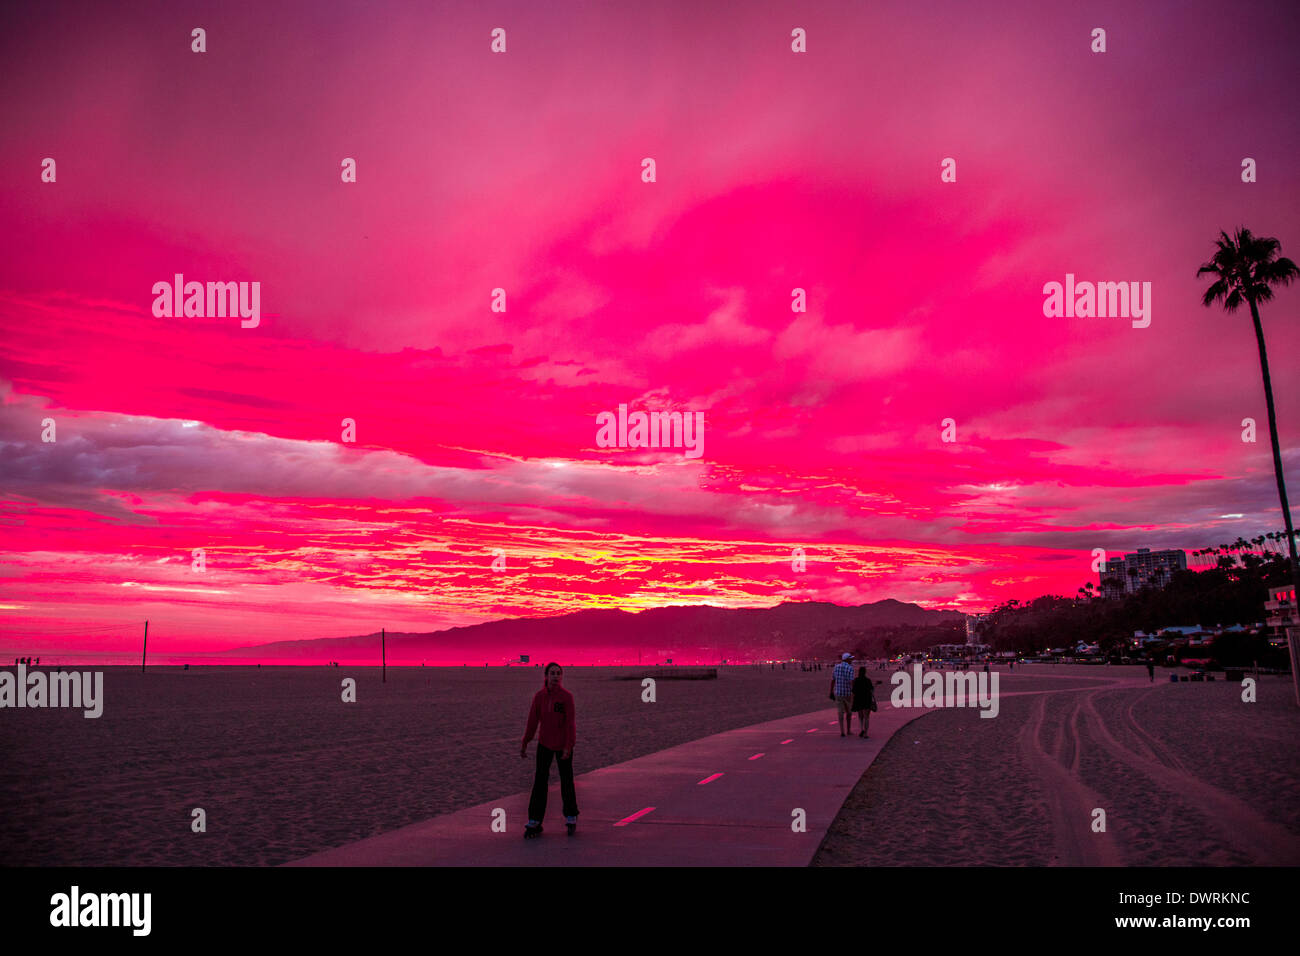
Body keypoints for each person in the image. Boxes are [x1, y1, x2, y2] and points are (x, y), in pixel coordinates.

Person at [521, 662, 578, 838]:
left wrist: (568, 746)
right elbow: (532, 721)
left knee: (566, 780)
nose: (555, 676)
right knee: (540, 781)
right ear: (546, 676)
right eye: (552, 673)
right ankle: (535, 820)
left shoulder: (567, 697)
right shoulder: (539, 697)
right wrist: (525, 742)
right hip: (544, 743)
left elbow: (570, 724)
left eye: (558, 673)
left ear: (561, 677)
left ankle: (571, 815)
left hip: (562, 745)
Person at [830, 653, 856, 736]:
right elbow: (852, 681)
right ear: (847, 659)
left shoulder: (836, 667)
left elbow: (833, 680)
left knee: (840, 712)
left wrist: (830, 691)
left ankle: (842, 731)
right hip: (847, 693)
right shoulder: (850, 668)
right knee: (849, 712)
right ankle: (848, 730)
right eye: (850, 659)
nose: (851, 660)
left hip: (838, 692)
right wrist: (854, 691)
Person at [851, 666, 876, 738]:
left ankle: (861, 729)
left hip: (858, 699)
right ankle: (866, 733)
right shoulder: (868, 680)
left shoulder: (856, 680)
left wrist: (852, 701)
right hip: (866, 699)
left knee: (860, 716)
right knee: (867, 717)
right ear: (865, 672)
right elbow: (871, 690)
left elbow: (853, 691)